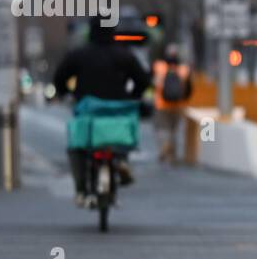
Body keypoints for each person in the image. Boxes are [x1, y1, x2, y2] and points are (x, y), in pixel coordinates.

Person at [52, 18, 151, 205]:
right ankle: (121, 159)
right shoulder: (124, 56)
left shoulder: (79, 55)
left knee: (77, 147)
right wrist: (131, 96)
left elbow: (59, 77)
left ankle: (81, 190)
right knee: (120, 136)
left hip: (88, 112)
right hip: (118, 111)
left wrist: (69, 93)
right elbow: (143, 80)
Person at [151, 44, 192, 164]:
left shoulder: (159, 66)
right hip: (178, 105)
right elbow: (189, 89)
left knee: (163, 129)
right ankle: (172, 155)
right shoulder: (184, 69)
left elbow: (152, 83)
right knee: (174, 131)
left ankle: (165, 146)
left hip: (161, 104)